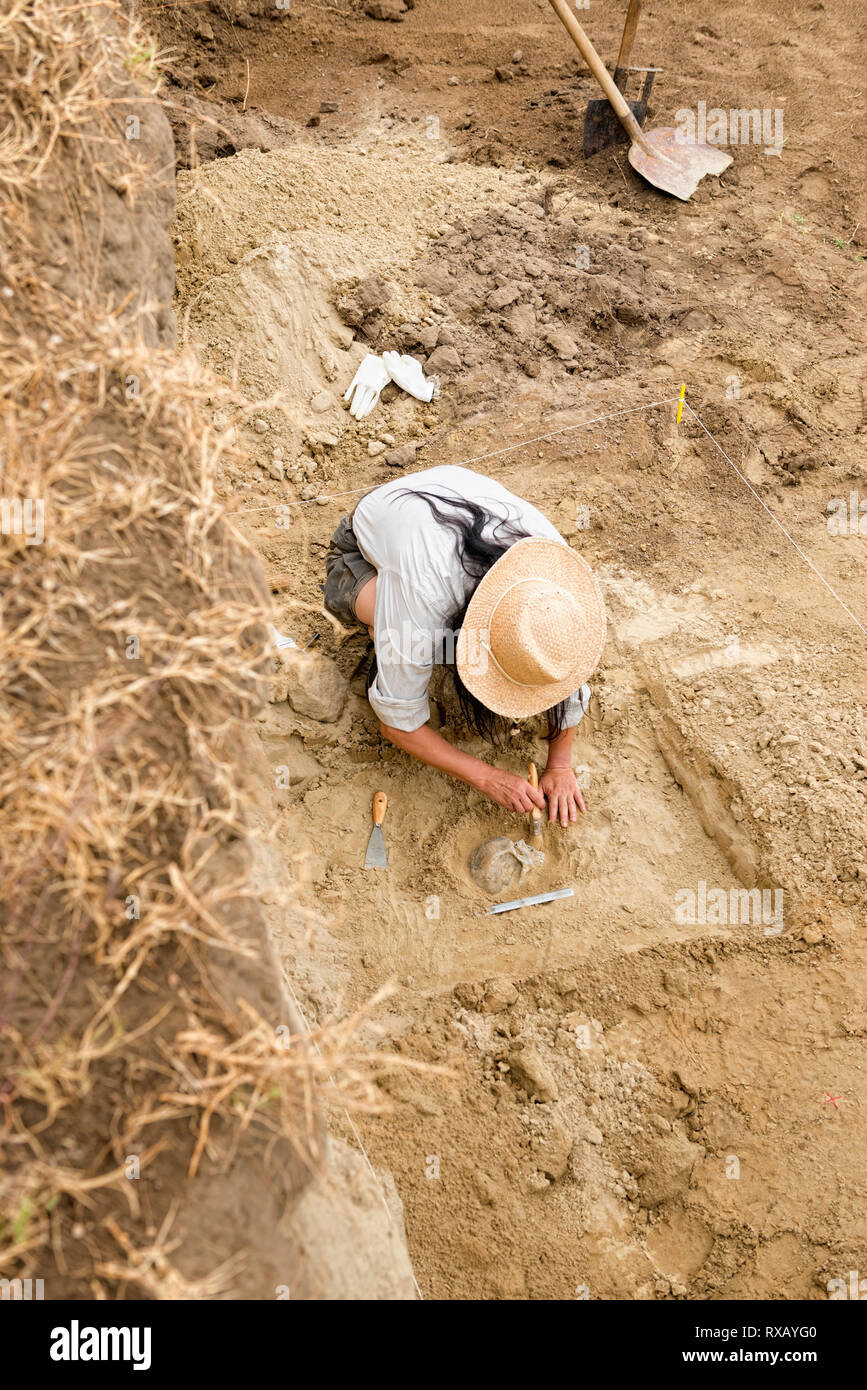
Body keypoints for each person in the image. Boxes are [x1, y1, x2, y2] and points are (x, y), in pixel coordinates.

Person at [323, 465, 606, 827]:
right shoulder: (423, 603)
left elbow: (565, 670)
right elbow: (397, 726)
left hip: (446, 500)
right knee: (398, 629)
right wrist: (488, 778)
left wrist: (561, 765)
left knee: (524, 644)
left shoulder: (552, 578)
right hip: (364, 542)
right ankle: (382, 627)